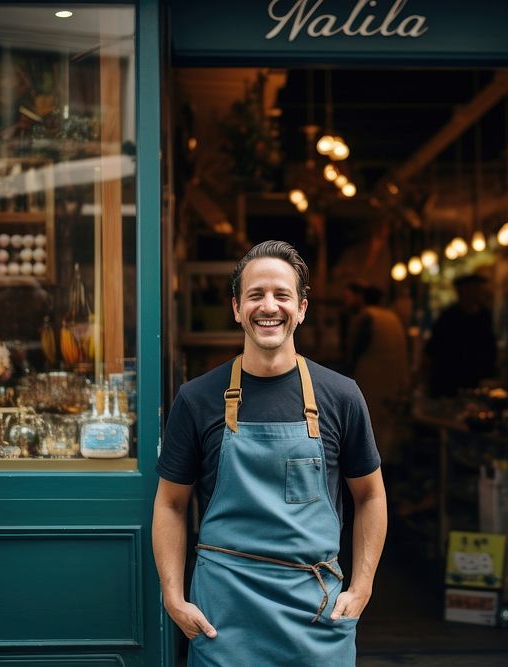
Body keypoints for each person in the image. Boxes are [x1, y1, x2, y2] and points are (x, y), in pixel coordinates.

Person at [152, 240, 387, 667]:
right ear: (237, 308)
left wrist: (362, 587)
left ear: (301, 308)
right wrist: (172, 596)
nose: (269, 306)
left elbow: (370, 496)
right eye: (256, 295)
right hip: (224, 614)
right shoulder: (197, 398)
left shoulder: (341, 396)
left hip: (314, 614)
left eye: (282, 295)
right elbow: (170, 503)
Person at [343, 282, 409, 467]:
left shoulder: (366, 317)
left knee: (370, 430)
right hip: (394, 381)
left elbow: (355, 353)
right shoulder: (393, 317)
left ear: (361, 297)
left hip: (371, 381)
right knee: (388, 429)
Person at [422, 273, 497, 397]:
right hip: (449, 383)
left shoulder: (484, 315)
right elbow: (433, 351)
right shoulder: (449, 317)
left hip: (476, 383)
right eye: (473, 288)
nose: (477, 292)